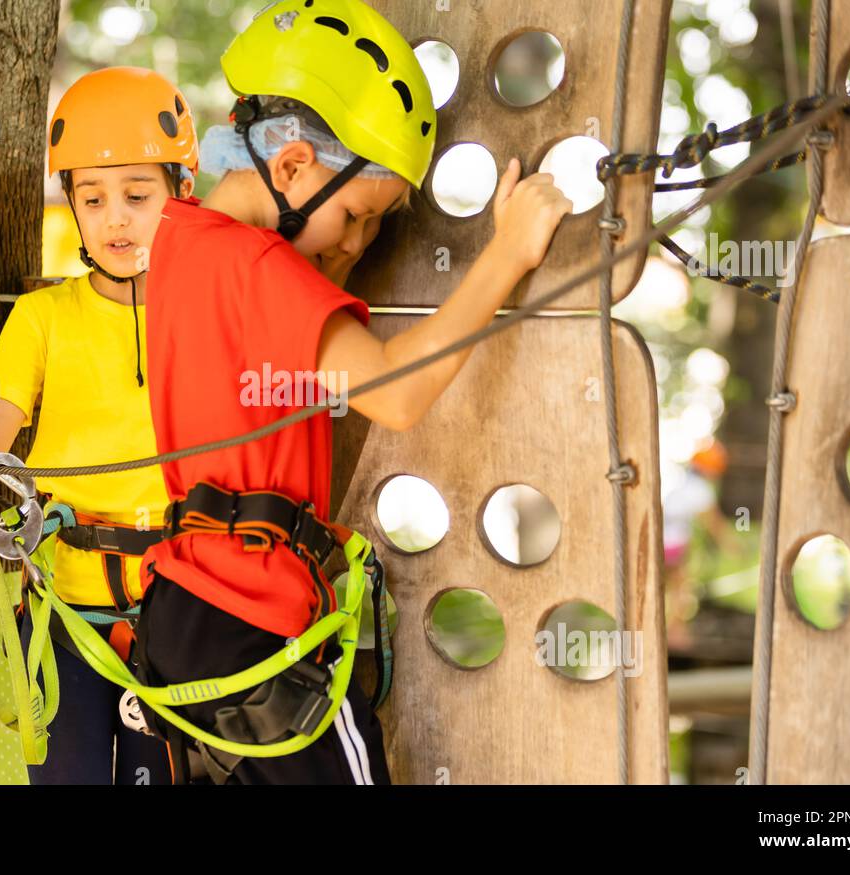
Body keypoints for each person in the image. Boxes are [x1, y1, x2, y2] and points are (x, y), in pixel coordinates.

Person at [131, 0, 573, 784]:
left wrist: (330, 243)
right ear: (293, 165)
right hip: (258, 626)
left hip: (183, 616)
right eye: (357, 214)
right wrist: (506, 253)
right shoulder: (259, 271)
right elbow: (396, 395)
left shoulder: (180, 239)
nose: (357, 242)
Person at [0, 66, 201, 785]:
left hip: (181, 605)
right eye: (92, 199)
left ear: (182, 195)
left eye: (137, 196)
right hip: (65, 607)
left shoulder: (208, 312)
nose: (115, 219)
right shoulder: (43, 318)